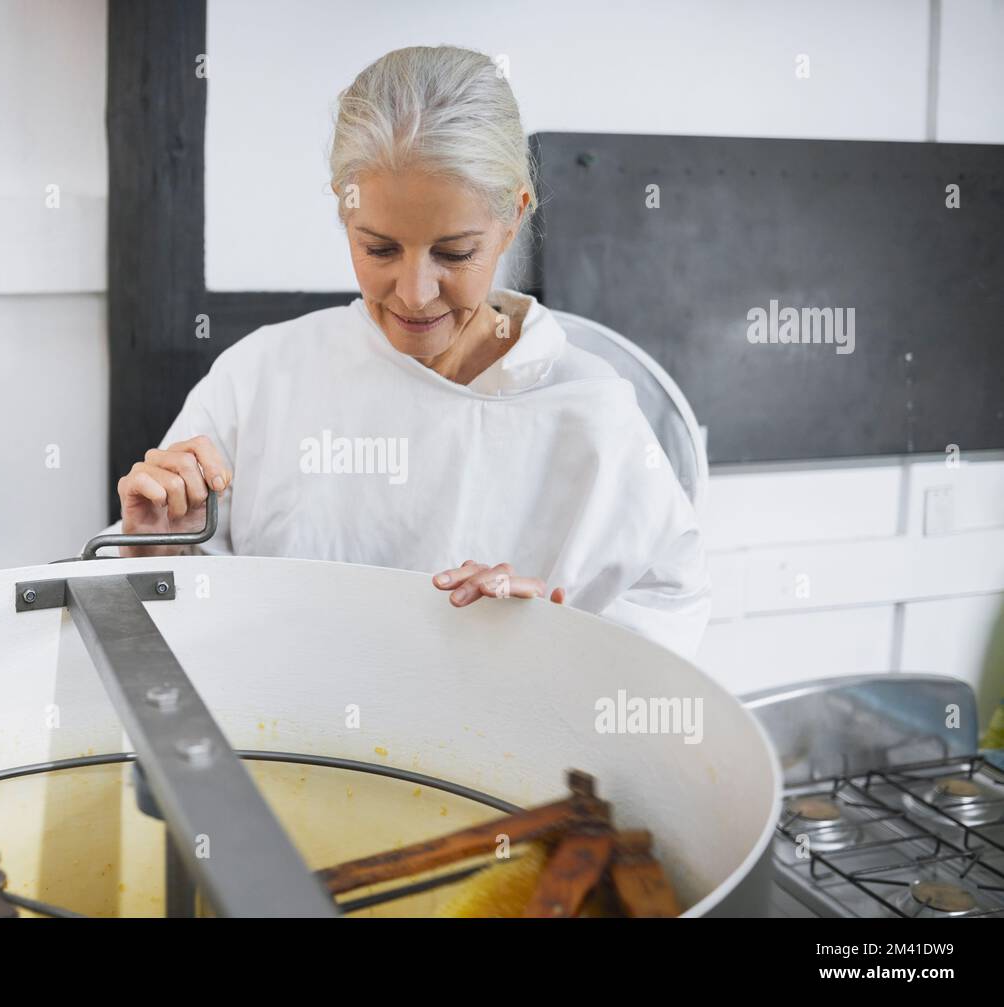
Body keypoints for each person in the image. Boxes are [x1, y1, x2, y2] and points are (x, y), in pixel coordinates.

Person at [100, 45, 712, 661]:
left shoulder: (591, 413)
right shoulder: (260, 380)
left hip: (497, 754)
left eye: (453, 253)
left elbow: (665, 629)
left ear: (513, 216)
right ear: (345, 207)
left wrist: (552, 646)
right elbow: (157, 634)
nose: (415, 295)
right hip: (278, 747)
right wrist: (153, 552)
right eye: (380, 249)